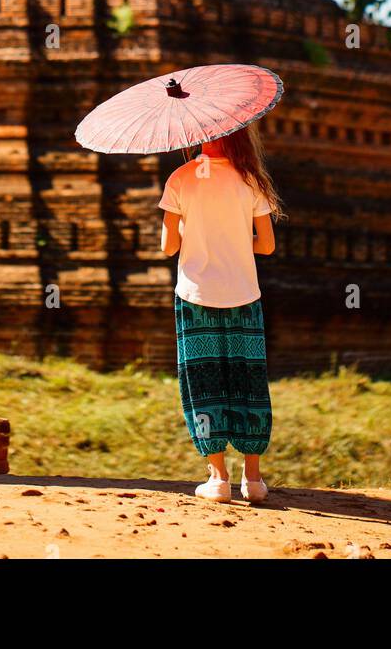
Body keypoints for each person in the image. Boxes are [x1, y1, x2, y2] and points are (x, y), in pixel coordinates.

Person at [159, 122, 284, 504]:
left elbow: (168, 247)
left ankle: (218, 478)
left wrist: (193, 228)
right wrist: (233, 236)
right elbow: (266, 246)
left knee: (204, 380)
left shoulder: (180, 179)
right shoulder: (251, 181)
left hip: (196, 295)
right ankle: (255, 478)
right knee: (248, 378)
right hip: (243, 294)